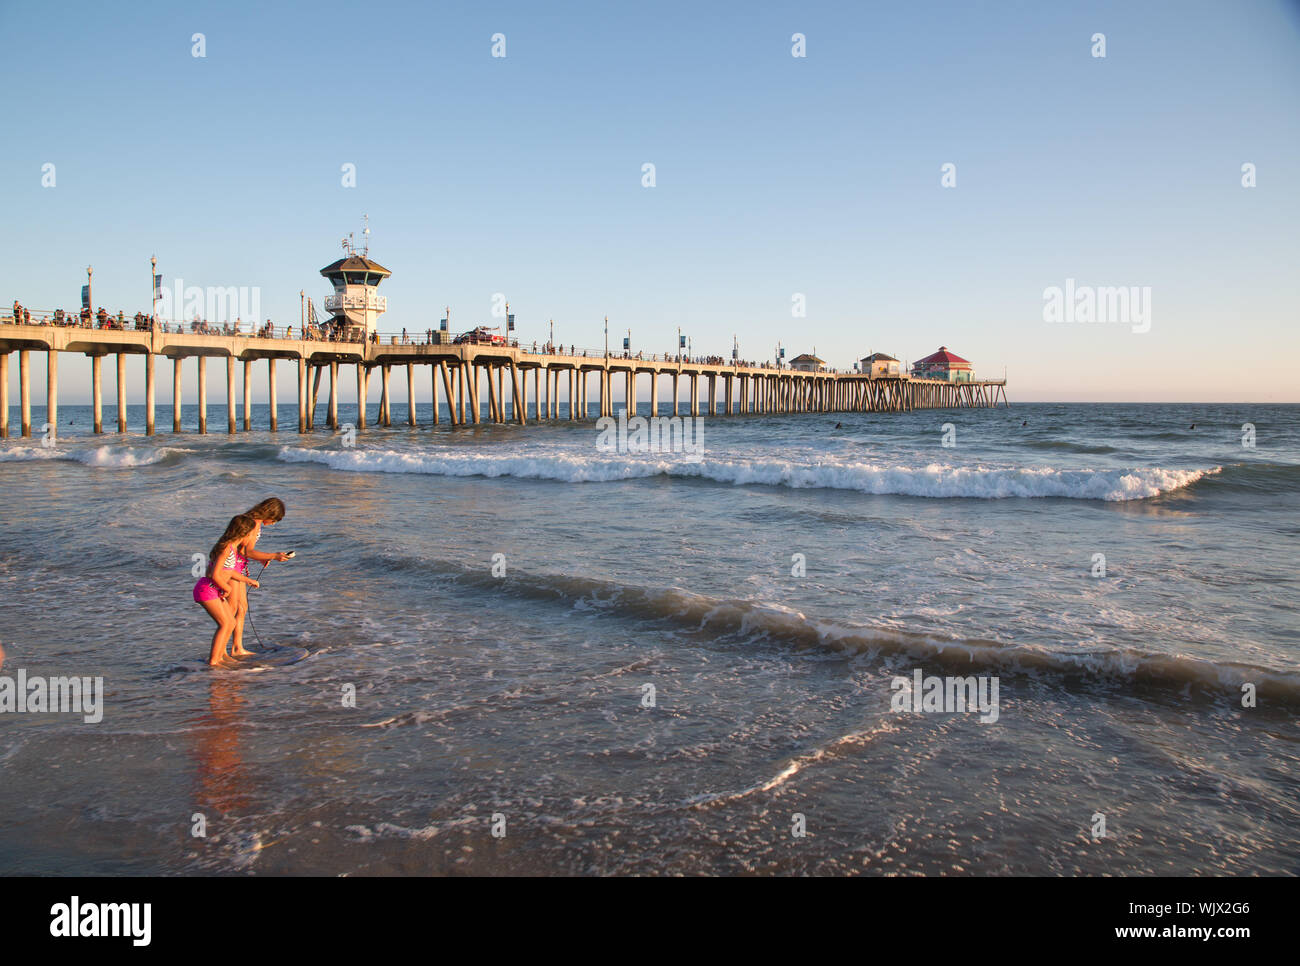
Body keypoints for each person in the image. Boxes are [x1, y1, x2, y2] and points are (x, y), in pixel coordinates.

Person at [226, 497, 292, 659]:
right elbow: (246, 551)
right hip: (232, 567)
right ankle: (222, 652)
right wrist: (274, 556)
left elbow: (242, 549)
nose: (274, 523)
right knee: (232, 610)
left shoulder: (249, 519)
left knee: (241, 608)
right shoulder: (254, 524)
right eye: (275, 520)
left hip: (237, 565)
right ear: (270, 514)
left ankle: (237, 647)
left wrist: (262, 558)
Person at [193, 515, 262, 667]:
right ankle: (214, 661)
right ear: (243, 533)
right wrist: (227, 588)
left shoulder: (231, 548)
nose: (251, 540)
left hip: (212, 590)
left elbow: (228, 572)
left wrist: (247, 580)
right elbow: (215, 575)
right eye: (251, 535)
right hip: (207, 591)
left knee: (230, 622)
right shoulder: (227, 549)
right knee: (225, 624)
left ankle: (221, 657)